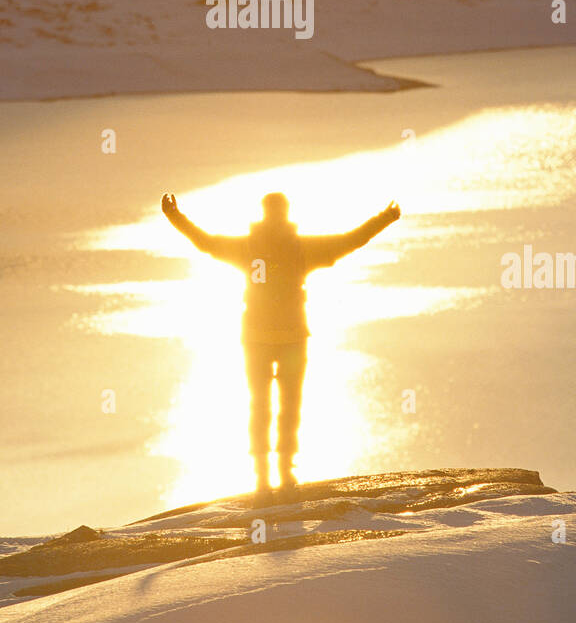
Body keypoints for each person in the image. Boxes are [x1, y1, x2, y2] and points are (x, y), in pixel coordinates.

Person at [161, 190, 401, 496]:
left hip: (265, 340)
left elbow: (206, 242)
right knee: (284, 407)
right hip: (286, 341)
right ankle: (279, 475)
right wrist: (386, 219)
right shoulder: (296, 248)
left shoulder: (250, 248)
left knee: (265, 406)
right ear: (284, 214)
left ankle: (269, 476)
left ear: (266, 213)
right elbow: (350, 241)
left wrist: (175, 217)